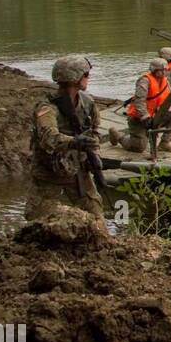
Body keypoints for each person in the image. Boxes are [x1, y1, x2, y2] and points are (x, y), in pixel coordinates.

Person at [26, 55, 105, 221]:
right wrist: (75, 142)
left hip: (78, 170)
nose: (88, 78)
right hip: (50, 171)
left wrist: (92, 149)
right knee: (38, 220)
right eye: (86, 75)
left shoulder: (87, 103)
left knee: (96, 217)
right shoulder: (47, 107)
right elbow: (49, 137)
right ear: (75, 78)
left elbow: (95, 130)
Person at [112, 58, 171, 153]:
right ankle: (117, 135)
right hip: (138, 118)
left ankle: (164, 143)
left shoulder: (165, 81)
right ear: (155, 70)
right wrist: (145, 117)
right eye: (162, 70)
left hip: (155, 115)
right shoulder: (144, 81)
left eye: (165, 69)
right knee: (139, 147)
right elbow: (139, 101)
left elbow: (168, 99)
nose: (165, 72)